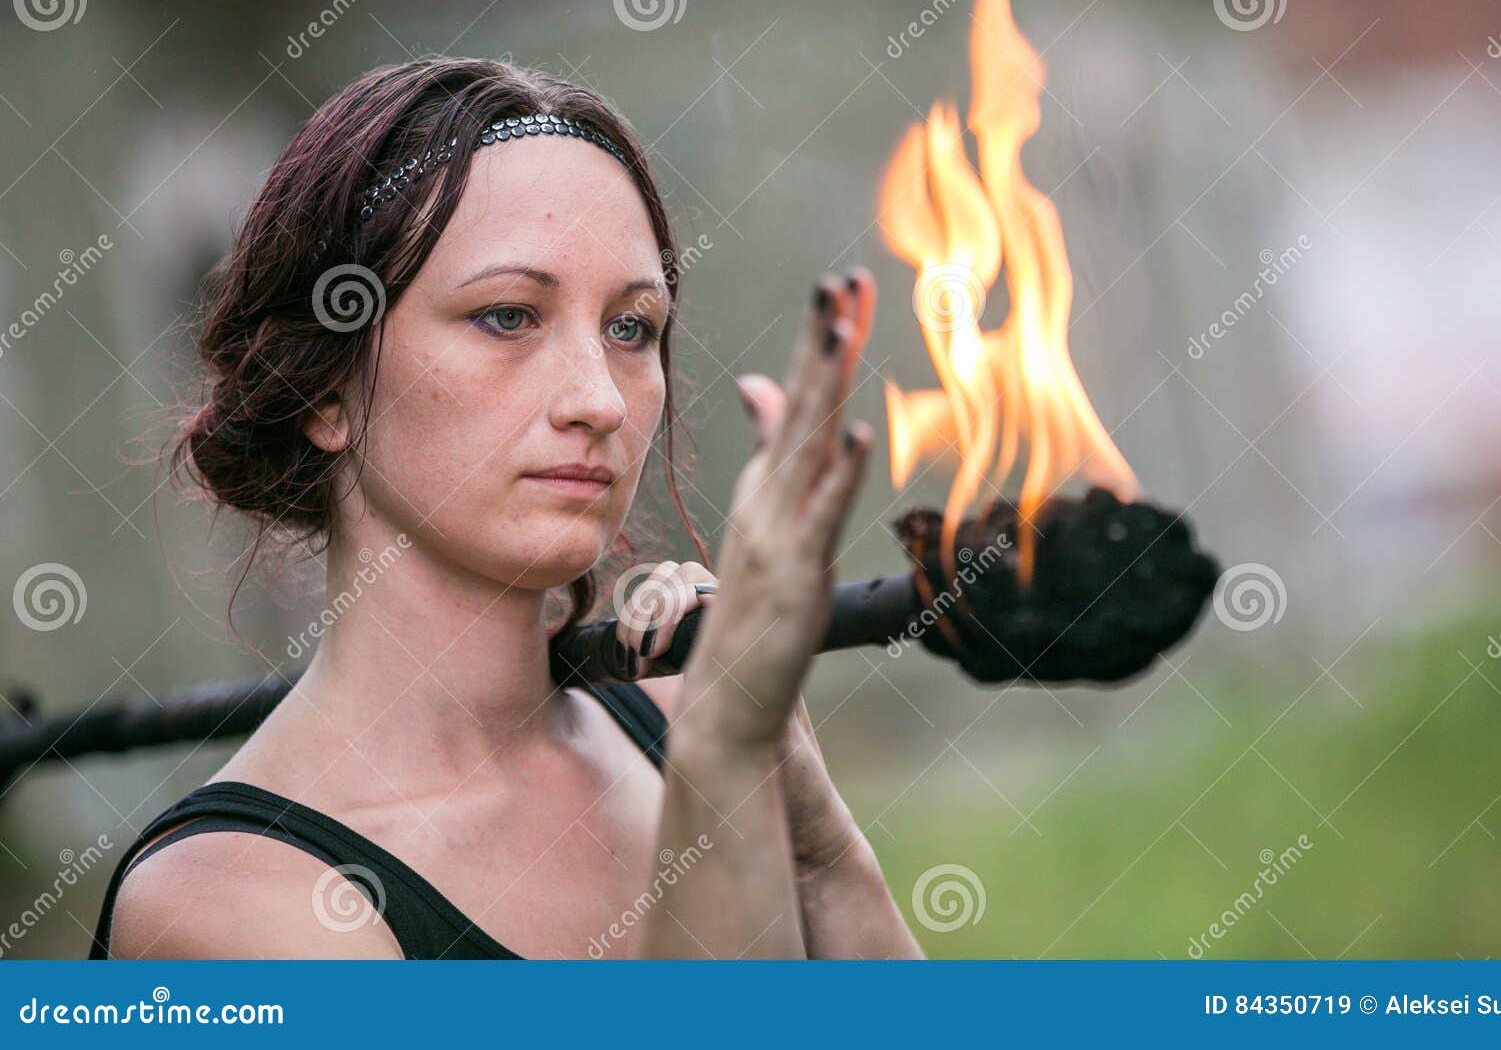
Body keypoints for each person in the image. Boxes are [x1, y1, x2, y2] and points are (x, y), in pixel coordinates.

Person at [89, 56, 921, 959]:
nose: (598, 398)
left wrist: (816, 845)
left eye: (632, 327)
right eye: (508, 316)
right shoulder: (227, 902)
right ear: (326, 388)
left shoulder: (676, 717)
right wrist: (719, 772)